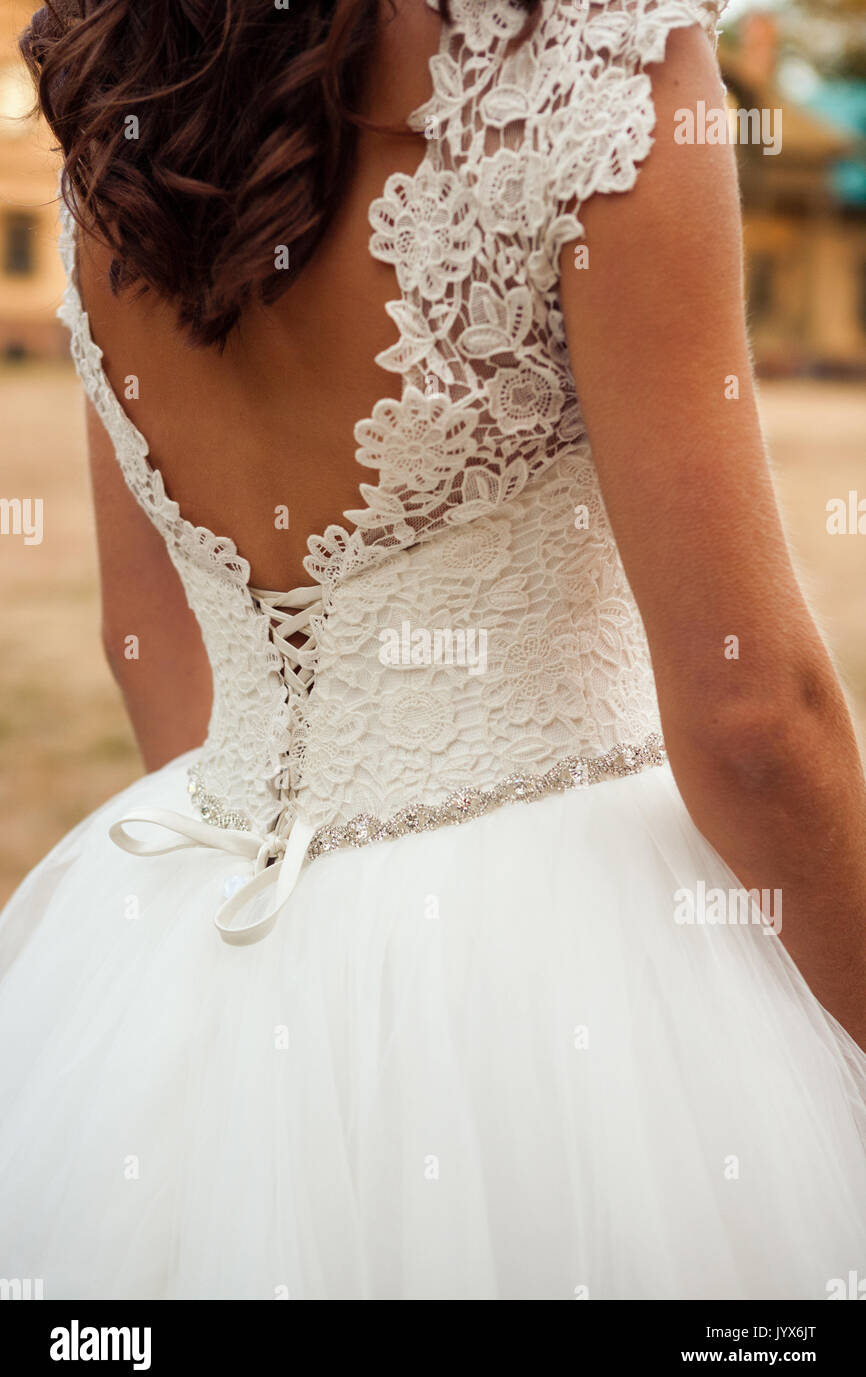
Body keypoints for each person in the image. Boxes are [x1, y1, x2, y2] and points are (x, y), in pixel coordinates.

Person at [1, 0, 865, 1300]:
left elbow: (149, 641)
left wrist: (287, 991)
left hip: (194, 973)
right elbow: (750, 715)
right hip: (579, 993)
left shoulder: (120, 91)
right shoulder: (594, 61)